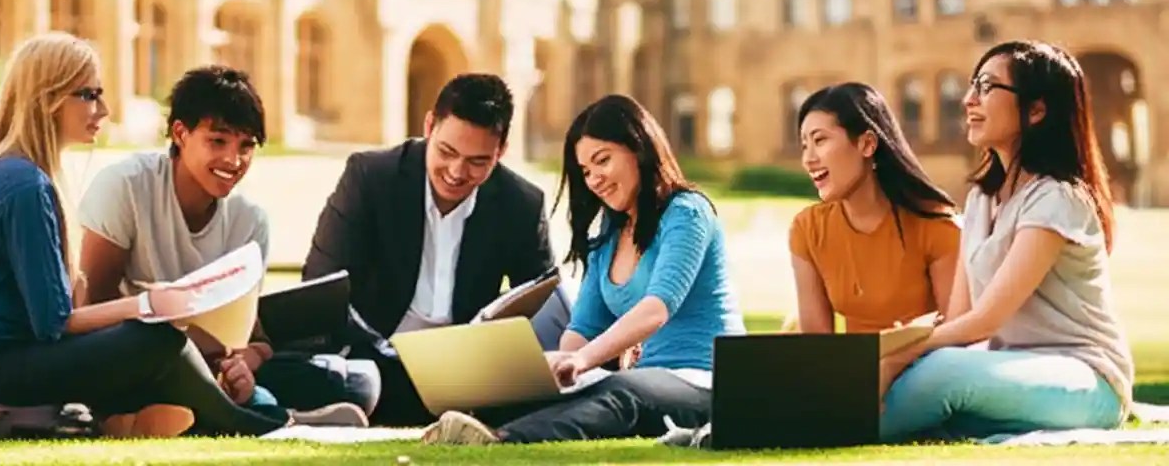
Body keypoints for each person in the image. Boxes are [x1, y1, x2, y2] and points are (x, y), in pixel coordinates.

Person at [0, 33, 286, 438]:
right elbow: (53, 323)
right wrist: (149, 304)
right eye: (88, 95)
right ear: (48, 98)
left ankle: (161, 419)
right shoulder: (23, 184)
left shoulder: (22, 176)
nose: (103, 109)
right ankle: (245, 423)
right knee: (155, 341)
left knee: (153, 346)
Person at [421, 94, 744, 445]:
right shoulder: (608, 234)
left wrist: (583, 360)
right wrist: (560, 366)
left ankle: (504, 440)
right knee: (533, 393)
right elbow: (583, 327)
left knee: (621, 390)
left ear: (638, 148)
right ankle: (477, 426)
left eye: (602, 161)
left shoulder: (687, 212)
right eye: (585, 171)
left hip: (703, 382)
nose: (593, 179)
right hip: (646, 379)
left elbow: (656, 310)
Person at [76, 65, 374, 428]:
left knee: (352, 380)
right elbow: (91, 309)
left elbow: (255, 337)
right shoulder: (125, 188)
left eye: (246, 146)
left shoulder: (250, 222)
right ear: (181, 134)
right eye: (218, 141)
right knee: (163, 353)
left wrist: (243, 363)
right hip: (132, 357)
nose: (233, 161)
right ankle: (276, 424)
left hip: (209, 369)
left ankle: (219, 414)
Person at [879, 40, 1134, 442]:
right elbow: (961, 320)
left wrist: (900, 355)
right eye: (971, 85)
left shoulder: (1057, 198)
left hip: (1086, 380)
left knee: (940, 372)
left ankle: (834, 429)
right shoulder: (980, 200)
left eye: (986, 86)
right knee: (935, 369)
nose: (968, 99)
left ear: (1036, 110)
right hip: (1010, 372)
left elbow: (987, 320)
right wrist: (900, 344)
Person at [300, 73, 562, 426]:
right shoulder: (371, 176)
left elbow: (540, 301)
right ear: (429, 127)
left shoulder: (521, 204)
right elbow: (321, 285)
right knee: (356, 380)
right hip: (374, 355)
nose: (457, 172)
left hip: (464, 372)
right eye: (447, 151)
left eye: (477, 162)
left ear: (500, 152)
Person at [790, 83, 961, 334]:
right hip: (854, 371)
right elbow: (817, 346)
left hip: (928, 366)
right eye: (805, 145)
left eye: (820, 140)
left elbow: (956, 337)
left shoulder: (936, 225)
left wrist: (890, 362)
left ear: (867, 144)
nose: (808, 159)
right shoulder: (808, 229)